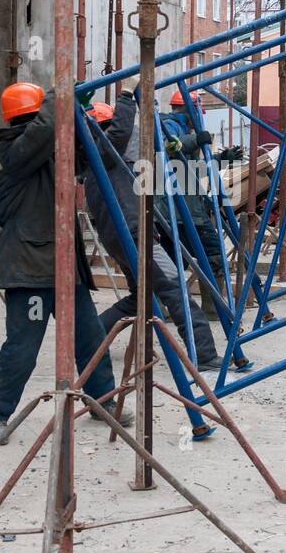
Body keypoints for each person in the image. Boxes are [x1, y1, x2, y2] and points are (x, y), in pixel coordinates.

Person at [0, 83, 130, 445]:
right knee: (22, 348)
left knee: (90, 339)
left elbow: (103, 154)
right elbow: (41, 133)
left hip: (64, 266)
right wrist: (59, 94)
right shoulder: (9, 148)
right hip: (30, 269)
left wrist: (97, 115)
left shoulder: (52, 148)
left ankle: (102, 401)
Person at [83, 88, 222, 369]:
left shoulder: (101, 165)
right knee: (176, 290)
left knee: (141, 298)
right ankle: (205, 355)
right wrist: (126, 95)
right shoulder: (103, 155)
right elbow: (120, 133)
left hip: (127, 236)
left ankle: (89, 337)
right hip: (134, 237)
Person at [159, 89, 230, 321]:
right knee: (213, 253)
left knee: (170, 260)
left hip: (178, 210)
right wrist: (196, 139)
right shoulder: (167, 125)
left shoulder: (180, 128)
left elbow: (191, 167)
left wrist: (222, 159)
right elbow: (169, 148)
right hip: (181, 211)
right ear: (188, 110)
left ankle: (166, 308)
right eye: (197, 111)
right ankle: (212, 308)